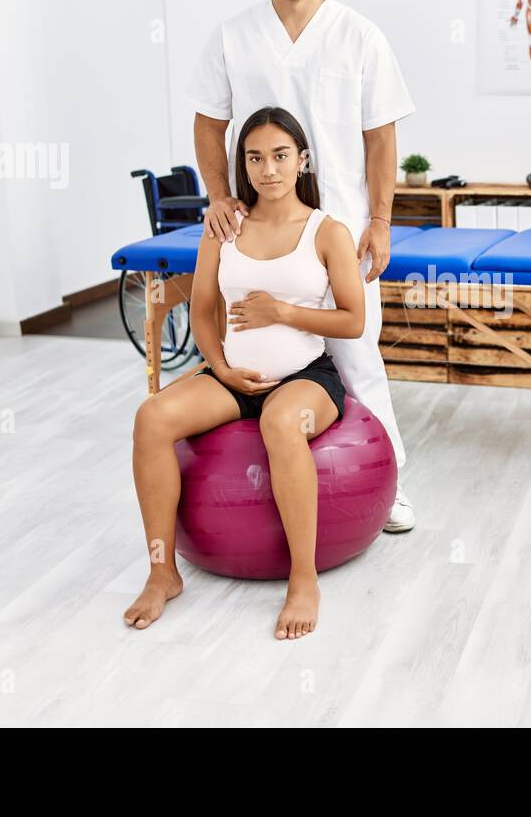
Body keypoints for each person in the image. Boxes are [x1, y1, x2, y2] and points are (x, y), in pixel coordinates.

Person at [186, 0, 417, 532]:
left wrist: (380, 220)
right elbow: (209, 122)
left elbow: (379, 137)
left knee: (359, 357)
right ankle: (262, 493)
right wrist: (218, 196)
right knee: (257, 347)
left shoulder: (359, 35)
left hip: (335, 227)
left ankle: (389, 483)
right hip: (259, 230)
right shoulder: (233, 36)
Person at [125, 107, 363, 640]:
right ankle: (163, 573)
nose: (268, 169)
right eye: (255, 158)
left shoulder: (327, 232)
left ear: (302, 160)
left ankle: (303, 579)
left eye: (280, 156)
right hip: (233, 379)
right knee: (152, 418)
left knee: (281, 422)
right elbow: (204, 309)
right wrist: (221, 368)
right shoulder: (223, 228)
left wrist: (283, 313)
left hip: (305, 377)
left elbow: (353, 319)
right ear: (243, 165)